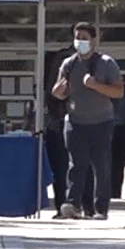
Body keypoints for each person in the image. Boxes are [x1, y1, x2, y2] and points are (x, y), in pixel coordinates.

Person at [51, 22, 125, 220]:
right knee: (76, 165)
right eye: (77, 37)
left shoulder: (106, 63)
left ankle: (101, 208)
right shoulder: (68, 64)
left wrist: (95, 86)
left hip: (101, 122)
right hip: (75, 122)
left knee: (101, 166)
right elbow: (59, 91)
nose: (80, 41)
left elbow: (118, 91)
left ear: (93, 40)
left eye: (84, 37)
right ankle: (73, 205)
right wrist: (58, 92)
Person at [44, 33, 75, 218]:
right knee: (67, 166)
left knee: (65, 167)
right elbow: (53, 94)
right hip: (63, 123)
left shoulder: (92, 62)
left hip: (70, 121)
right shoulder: (65, 61)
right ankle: (69, 204)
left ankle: (67, 204)